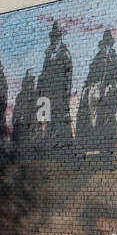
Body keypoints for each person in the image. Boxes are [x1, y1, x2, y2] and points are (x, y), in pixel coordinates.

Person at [76, 30, 117, 167]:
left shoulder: (114, 59)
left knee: (108, 119)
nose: (105, 47)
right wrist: (86, 88)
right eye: (103, 45)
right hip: (94, 92)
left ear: (110, 45)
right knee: (85, 115)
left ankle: (107, 154)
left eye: (107, 45)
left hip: (107, 95)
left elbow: (116, 79)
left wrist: (110, 87)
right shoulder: (97, 59)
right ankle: (85, 149)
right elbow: (90, 76)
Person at [36, 22, 74, 154]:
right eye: (52, 37)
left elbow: (68, 77)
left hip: (59, 95)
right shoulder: (48, 55)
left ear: (59, 38)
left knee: (61, 120)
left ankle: (64, 149)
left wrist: (66, 96)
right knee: (49, 120)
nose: (53, 39)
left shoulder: (64, 54)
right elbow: (44, 73)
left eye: (56, 37)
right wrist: (40, 89)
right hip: (48, 95)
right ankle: (50, 148)